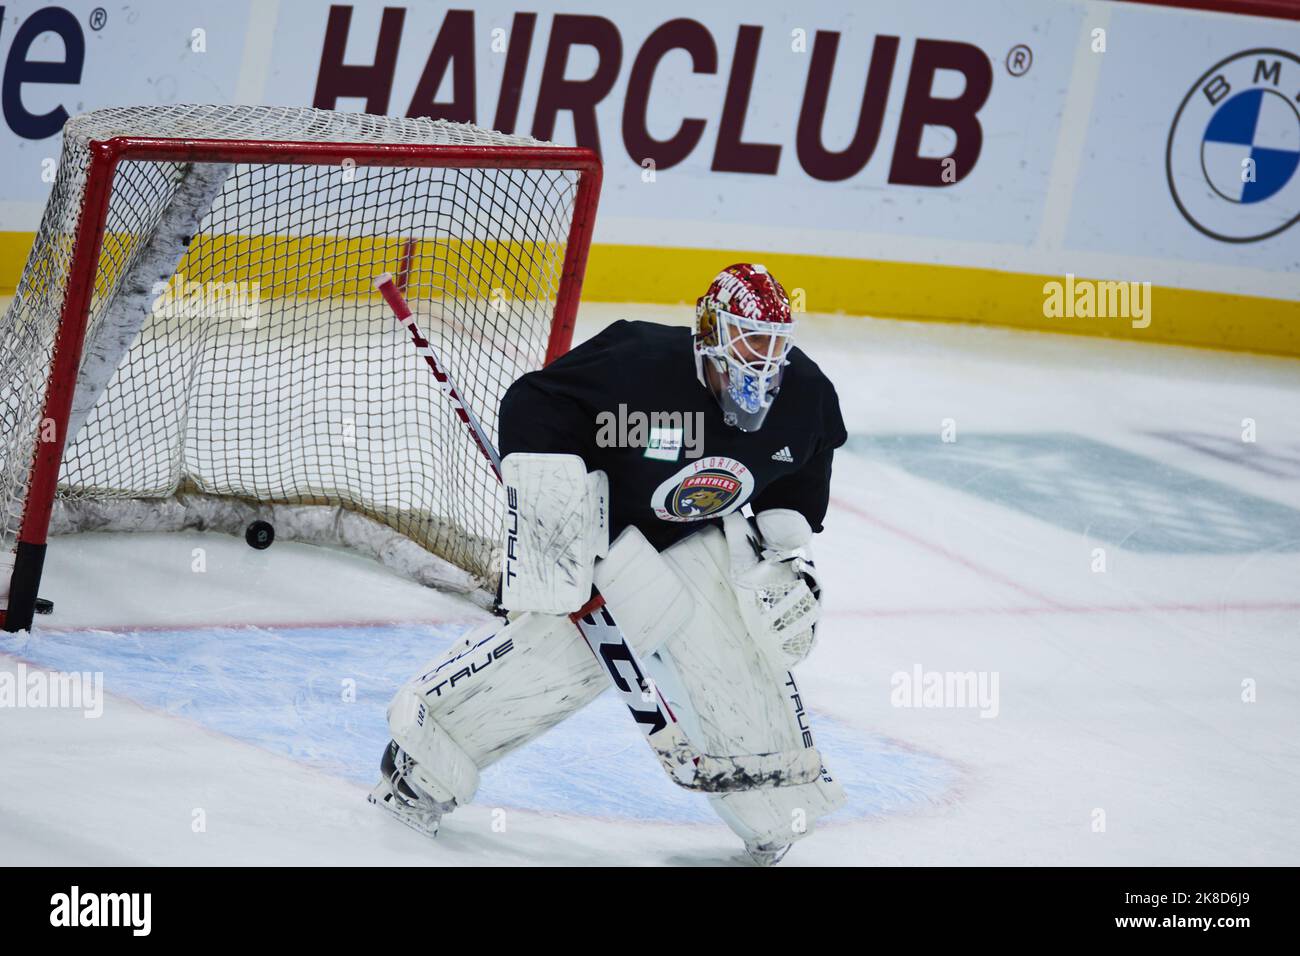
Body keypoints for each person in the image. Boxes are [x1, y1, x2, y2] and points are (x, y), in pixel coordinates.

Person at [371, 263, 847, 864]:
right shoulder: (636, 360)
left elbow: (805, 464)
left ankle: (773, 808)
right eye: (748, 340)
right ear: (709, 333)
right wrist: (558, 507)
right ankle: (423, 768)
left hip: (702, 536)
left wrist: (785, 540)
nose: (762, 362)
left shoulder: (804, 394)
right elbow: (531, 403)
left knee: (738, 657)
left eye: (774, 346)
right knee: (551, 662)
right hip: (611, 541)